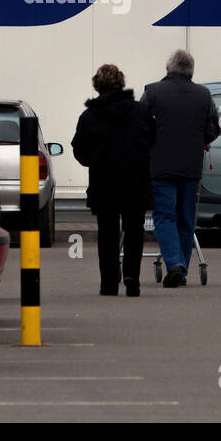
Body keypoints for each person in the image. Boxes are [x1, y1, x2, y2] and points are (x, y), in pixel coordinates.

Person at [71, 64, 156, 297]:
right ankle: (132, 278)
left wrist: (96, 161)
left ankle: (108, 283)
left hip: (104, 182)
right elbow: (152, 139)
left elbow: (79, 151)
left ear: (97, 85)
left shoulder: (89, 116)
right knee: (134, 230)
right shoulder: (140, 111)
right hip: (135, 180)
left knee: (107, 234)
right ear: (121, 83)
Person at [141, 49, 220, 288]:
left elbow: (141, 125)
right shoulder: (204, 95)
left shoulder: (152, 92)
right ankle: (182, 270)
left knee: (165, 216)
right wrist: (199, 139)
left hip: (161, 167)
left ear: (168, 70)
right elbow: (214, 128)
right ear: (191, 72)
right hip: (191, 168)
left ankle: (174, 263)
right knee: (186, 220)